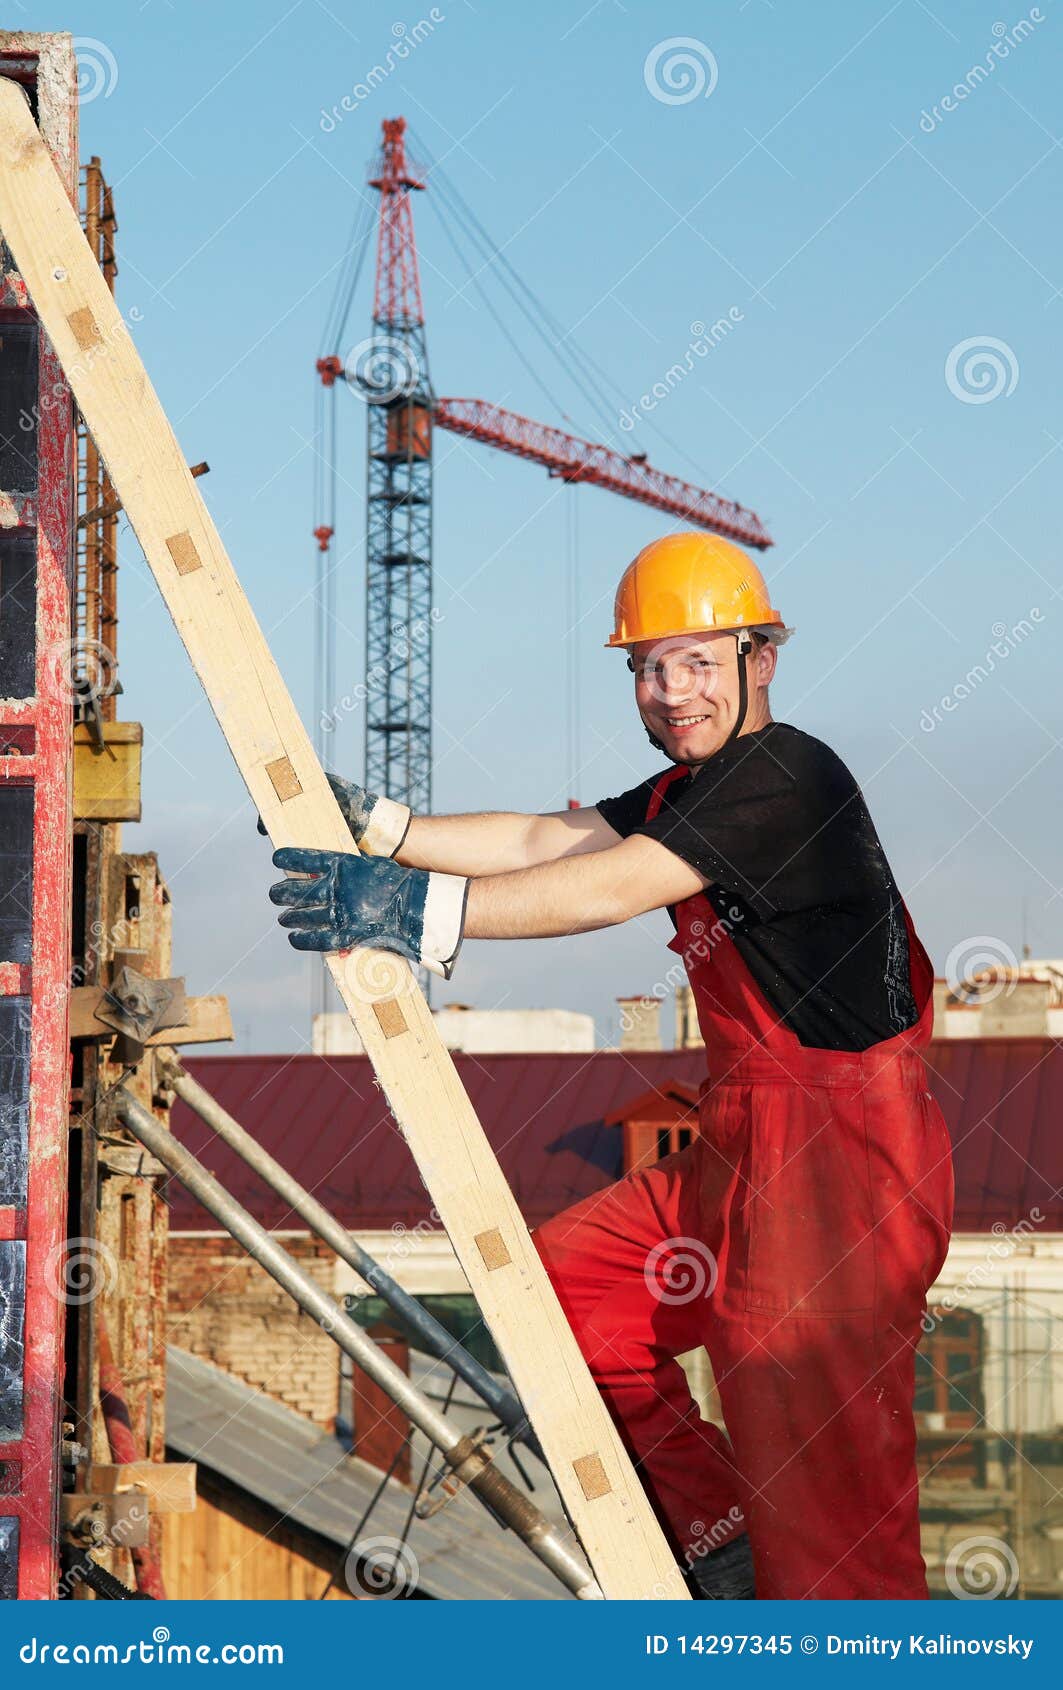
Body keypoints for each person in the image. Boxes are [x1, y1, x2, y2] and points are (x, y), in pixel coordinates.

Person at [268, 531, 954, 1600]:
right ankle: (717, 1539)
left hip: (841, 1182)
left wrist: (418, 913)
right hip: (744, 1154)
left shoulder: (787, 775)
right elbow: (554, 845)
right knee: (563, 1298)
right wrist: (393, 831)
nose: (669, 689)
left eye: (694, 660)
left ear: (758, 657)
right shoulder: (701, 786)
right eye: (646, 665)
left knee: (830, 1510)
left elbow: (605, 888)